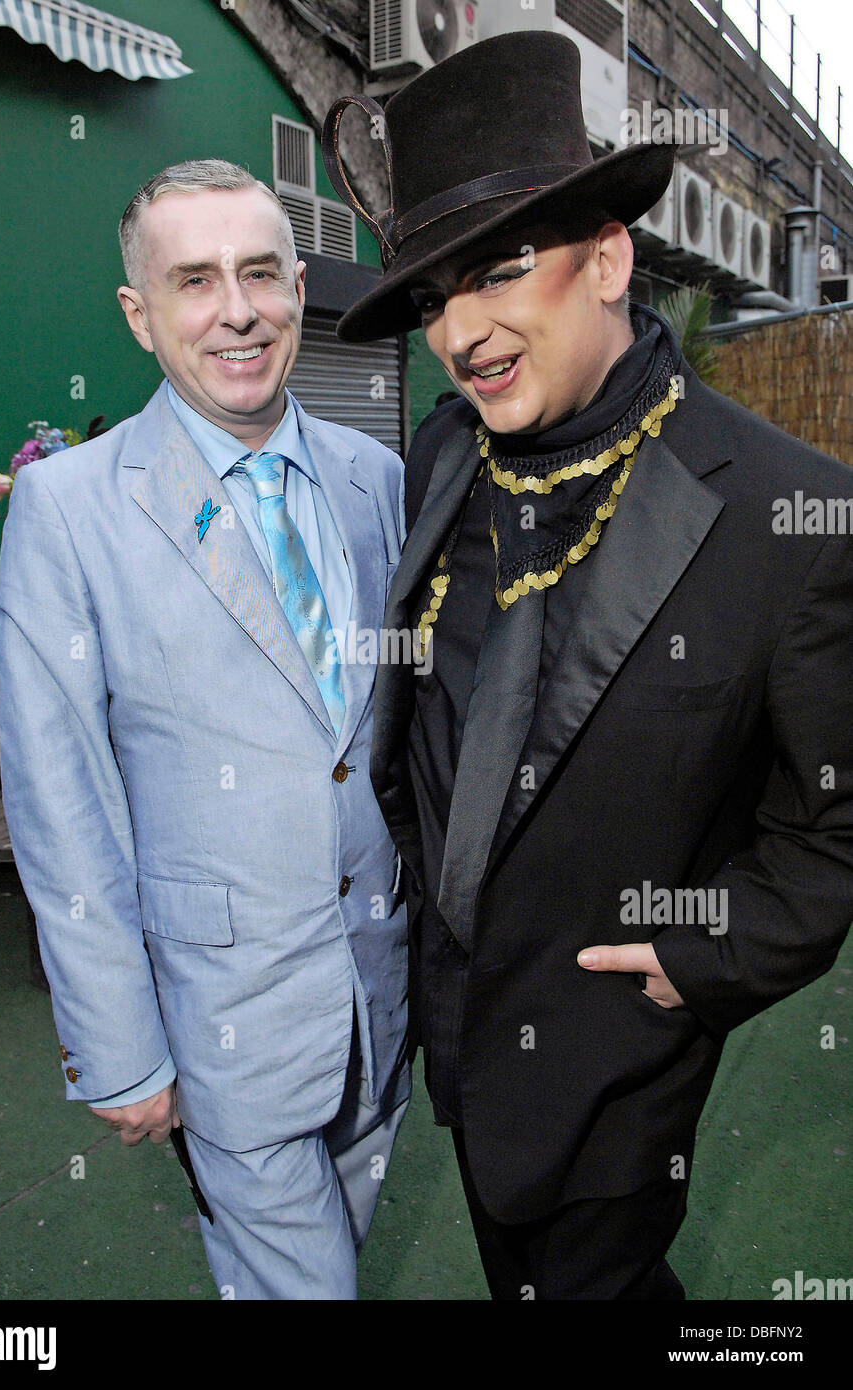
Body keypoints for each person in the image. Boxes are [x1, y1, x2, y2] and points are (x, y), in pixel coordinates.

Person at [322, 32, 853, 1299]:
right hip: (456, 1043)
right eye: (435, 293)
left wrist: (700, 952)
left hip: (616, 1077)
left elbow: (834, 828)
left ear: (609, 257)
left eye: (499, 269)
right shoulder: (440, 460)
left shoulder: (792, 515)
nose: (462, 329)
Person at [0, 159, 409, 1301]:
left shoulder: (377, 477)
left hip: (381, 1002)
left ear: (296, 291)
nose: (236, 309)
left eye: (261, 273)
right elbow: (57, 796)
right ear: (141, 314)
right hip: (219, 1021)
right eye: (194, 280)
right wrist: (115, 1044)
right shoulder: (67, 508)